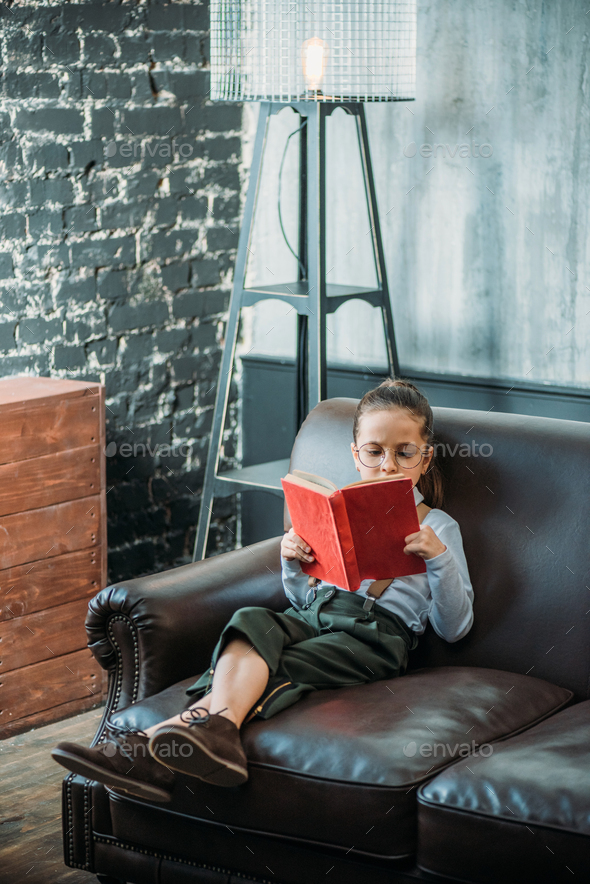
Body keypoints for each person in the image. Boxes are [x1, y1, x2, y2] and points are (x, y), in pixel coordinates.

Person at [52, 377, 474, 803]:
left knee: (282, 664)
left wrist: (438, 559)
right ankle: (204, 737)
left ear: (426, 458)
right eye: (374, 451)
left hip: (374, 636)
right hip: (313, 614)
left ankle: (142, 750)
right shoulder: (342, 513)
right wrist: (292, 562)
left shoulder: (439, 527)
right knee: (250, 622)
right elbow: (301, 600)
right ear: (355, 454)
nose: (388, 465)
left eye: (405, 453)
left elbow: (454, 628)